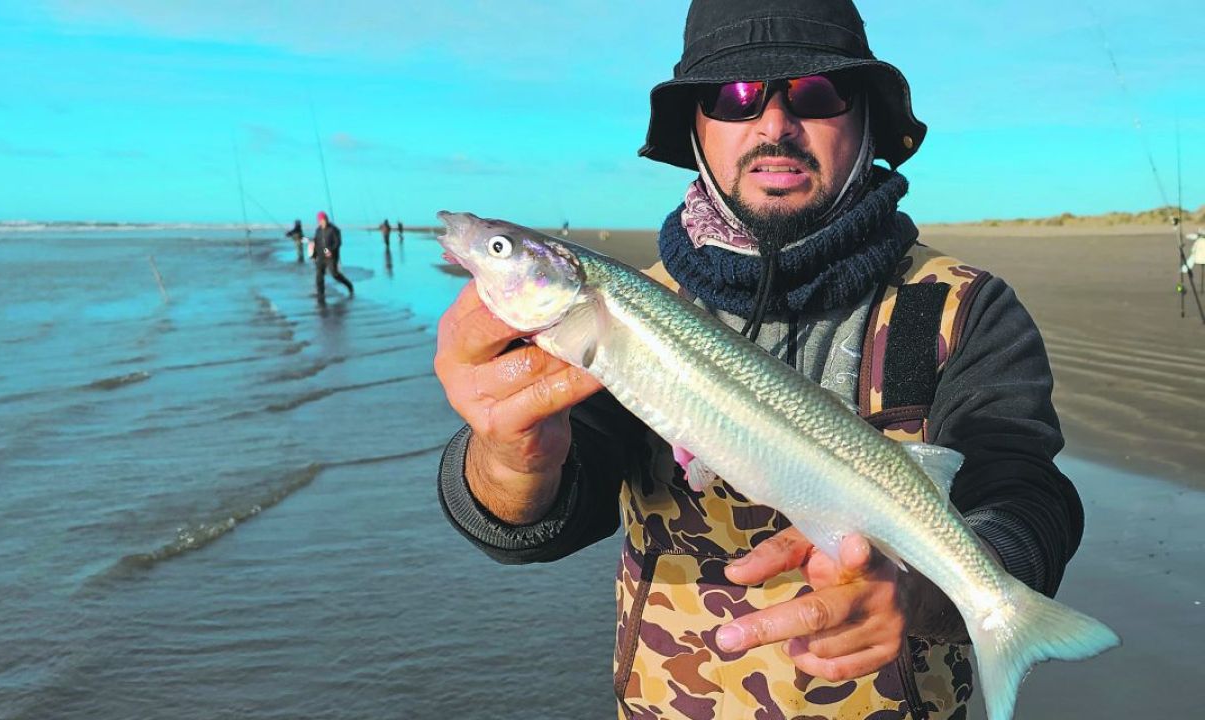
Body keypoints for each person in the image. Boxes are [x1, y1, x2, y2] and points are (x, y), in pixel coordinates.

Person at [433, 1, 1084, 717]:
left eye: (815, 92)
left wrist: (931, 596)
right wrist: (509, 459)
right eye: (734, 96)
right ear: (697, 127)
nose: (774, 125)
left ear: (865, 117)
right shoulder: (627, 309)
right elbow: (539, 521)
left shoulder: (965, 309)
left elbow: (1026, 494)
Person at [312, 211, 354, 298]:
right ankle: (320, 294)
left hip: (332, 256)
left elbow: (338, 243)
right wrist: (314, 254)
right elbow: (316, 242)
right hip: (320, 256)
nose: (323, 221)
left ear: (327, 219)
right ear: (319, 221)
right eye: (321, 220)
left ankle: (349, 285)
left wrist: (331, 251)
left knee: (334, 274)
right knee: (319, 275)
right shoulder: (318, 230)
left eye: (325, 219)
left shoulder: (334, 229)